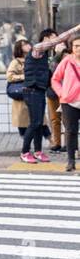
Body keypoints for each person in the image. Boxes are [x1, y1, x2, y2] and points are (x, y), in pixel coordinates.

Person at [11, 37, 49, 164]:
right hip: (31, 91)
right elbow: (9, 76)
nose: (28, 45)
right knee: (35, 123)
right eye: (24, 44)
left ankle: (38, 151)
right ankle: (25, 152)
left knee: (39, 123)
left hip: (39, 90)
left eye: (28, 43)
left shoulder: (41, 56)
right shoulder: (32, 54)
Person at [51, 34, 80, 172]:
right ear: (71, 48)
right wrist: (62, 93)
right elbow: (55, 79)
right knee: (70, 131)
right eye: (76, 46)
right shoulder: (67, 61)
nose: (79, 48)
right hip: (69, 102)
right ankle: (70, 161)